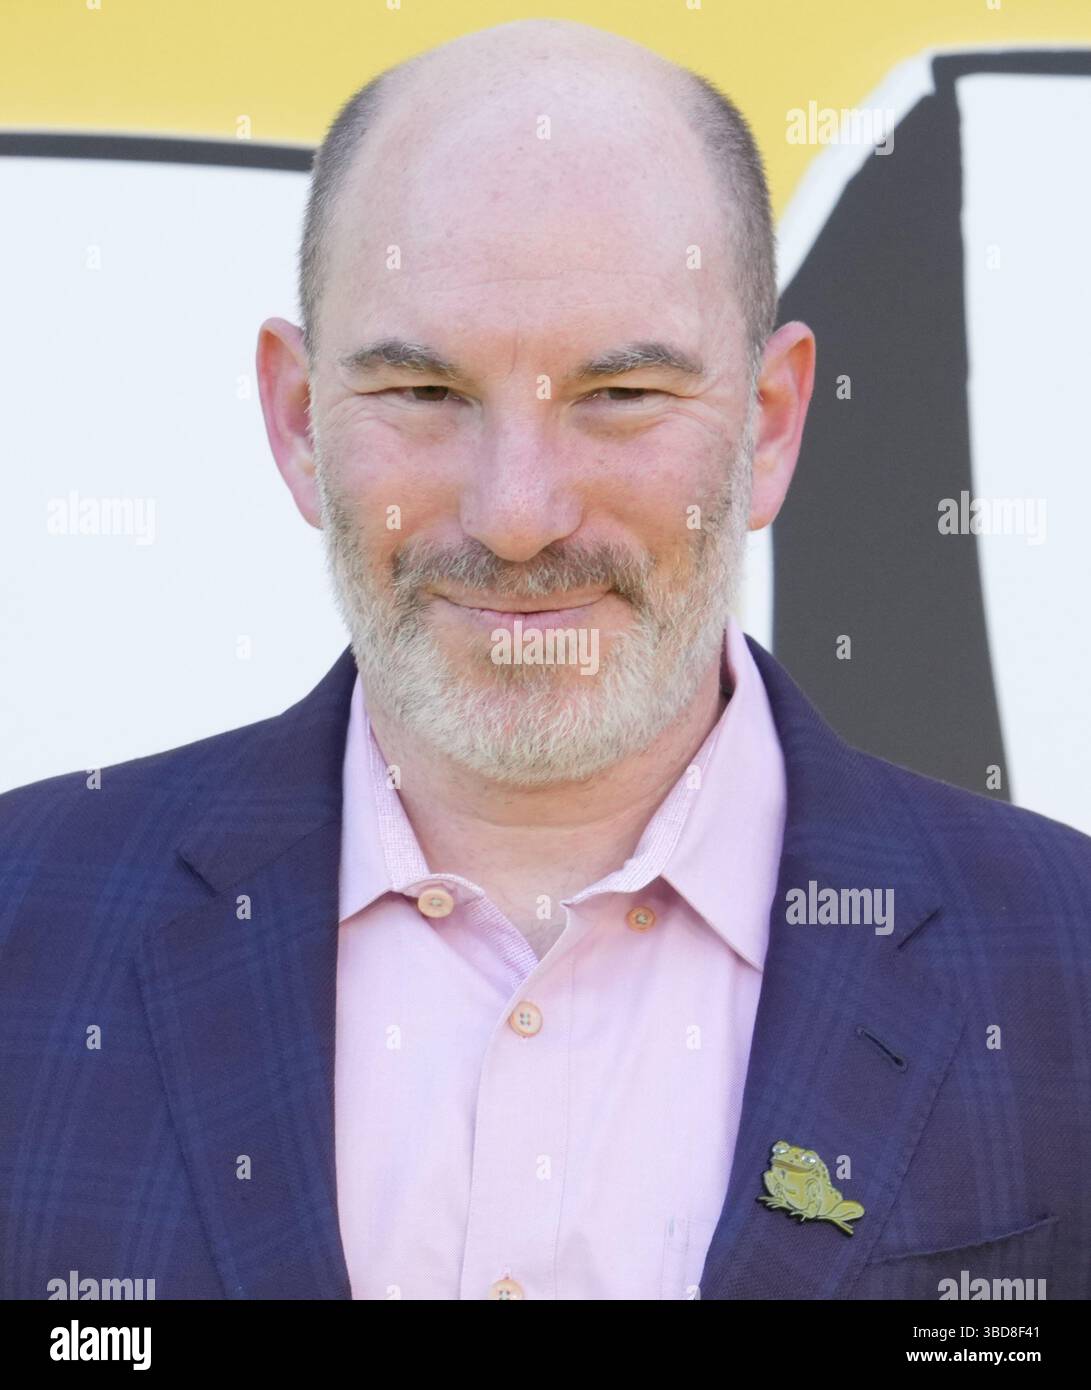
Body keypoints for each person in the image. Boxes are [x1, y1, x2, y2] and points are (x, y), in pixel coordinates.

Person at [1, 18, 1087, 1301]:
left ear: (770, 423)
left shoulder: (1062, 966)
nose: (518, 515)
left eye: (620, 397)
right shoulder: (24, 926)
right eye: (422, 395)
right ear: (299, 421)